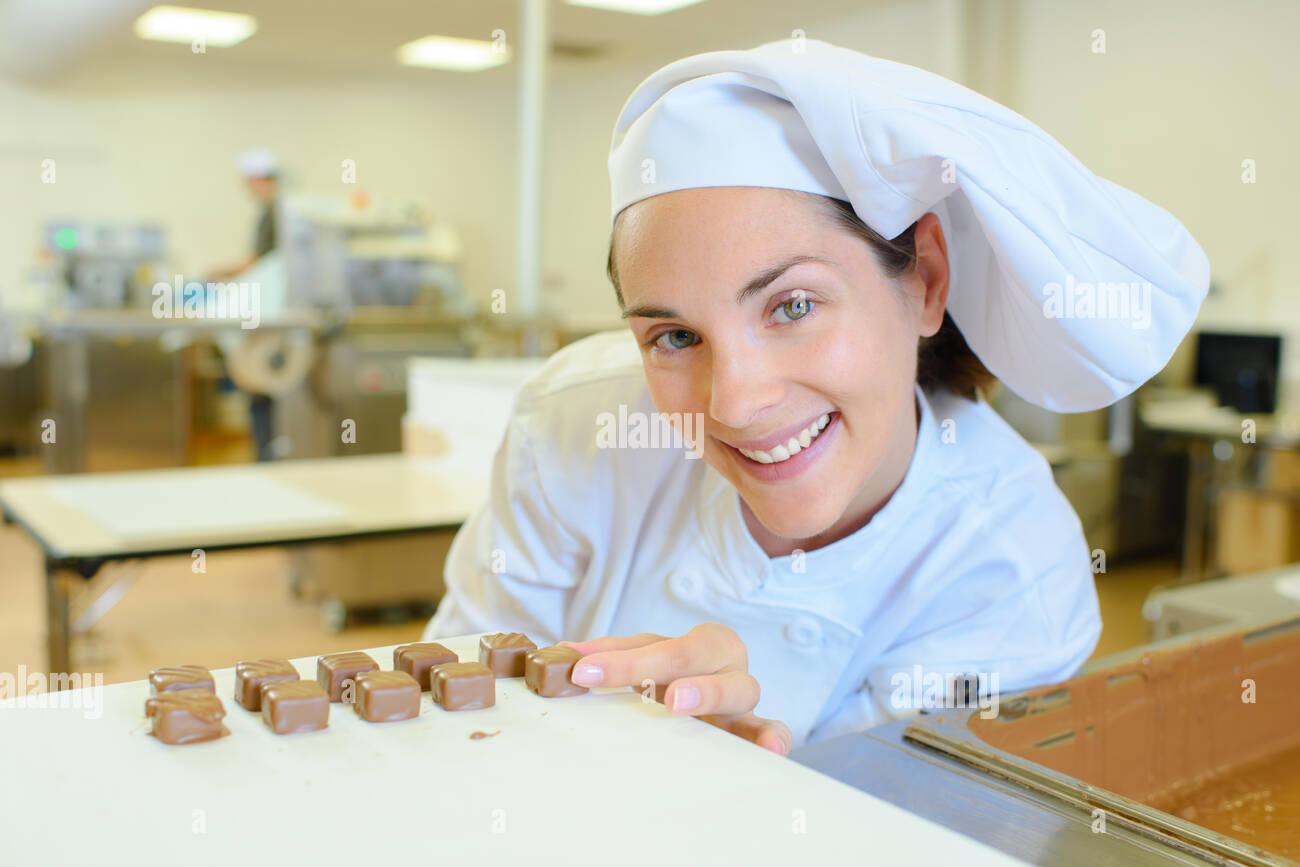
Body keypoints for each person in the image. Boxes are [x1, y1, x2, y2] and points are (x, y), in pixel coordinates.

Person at [422, 38, 1210, 755]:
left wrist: (732, 775)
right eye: (676, 336)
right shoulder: (573, 428)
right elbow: (446, 716)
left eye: (793, 306)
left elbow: (904, 831)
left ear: (927, 280)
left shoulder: (1009, 567)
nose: (734, 402)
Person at [212, 148, 281, 461]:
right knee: (263, 391)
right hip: (270, 318)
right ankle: (267, 456)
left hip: (270, 321)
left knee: (261, 389)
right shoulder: (277, 211)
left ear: (258, 180)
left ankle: (268, 457)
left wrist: (223, 273)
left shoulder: (277, 212)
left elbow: (258, 261)